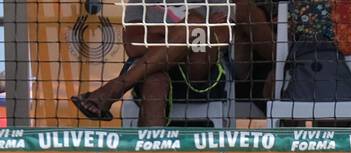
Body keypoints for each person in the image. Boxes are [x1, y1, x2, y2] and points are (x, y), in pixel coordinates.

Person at [71, 1, 273, 125]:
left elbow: (220, 36)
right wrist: (185, 34)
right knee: (155, 81)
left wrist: (160, 32)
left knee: (194, 21)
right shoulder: (141, 1)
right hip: (153, 70)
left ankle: (116, 87)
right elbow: (132, 44)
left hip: (199, 70)